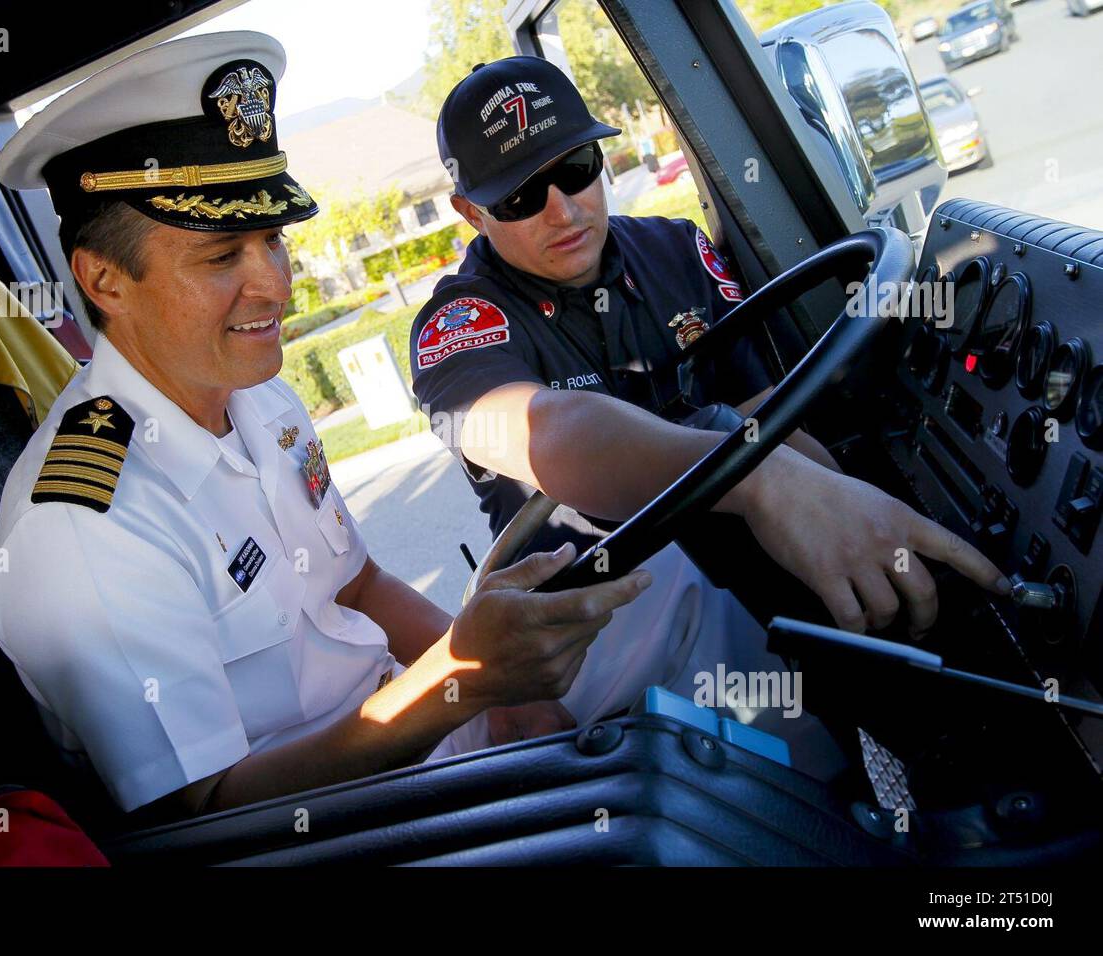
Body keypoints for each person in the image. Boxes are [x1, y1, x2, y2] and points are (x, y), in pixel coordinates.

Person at [0, 32, 650, 821]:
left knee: (670, 592)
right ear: (104, 279)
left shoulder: (259, 399)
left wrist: (503, 692)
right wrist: (466, 680)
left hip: (423, 735)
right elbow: (206, 816)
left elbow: (359, 585)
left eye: (274, 238)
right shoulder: (83, 526)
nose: (275, 284)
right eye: (222, 255)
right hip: (339, 829)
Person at [409, 56, 1011, 765]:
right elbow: (547, 430)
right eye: (519, 197)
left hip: (732, 559)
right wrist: (756, 479)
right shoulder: (458, 324)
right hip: (595, 614)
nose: (563, 208)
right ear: (470, 212)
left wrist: (824, 486)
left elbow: (767, 405)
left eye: (575, 167)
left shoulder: (675, 250)